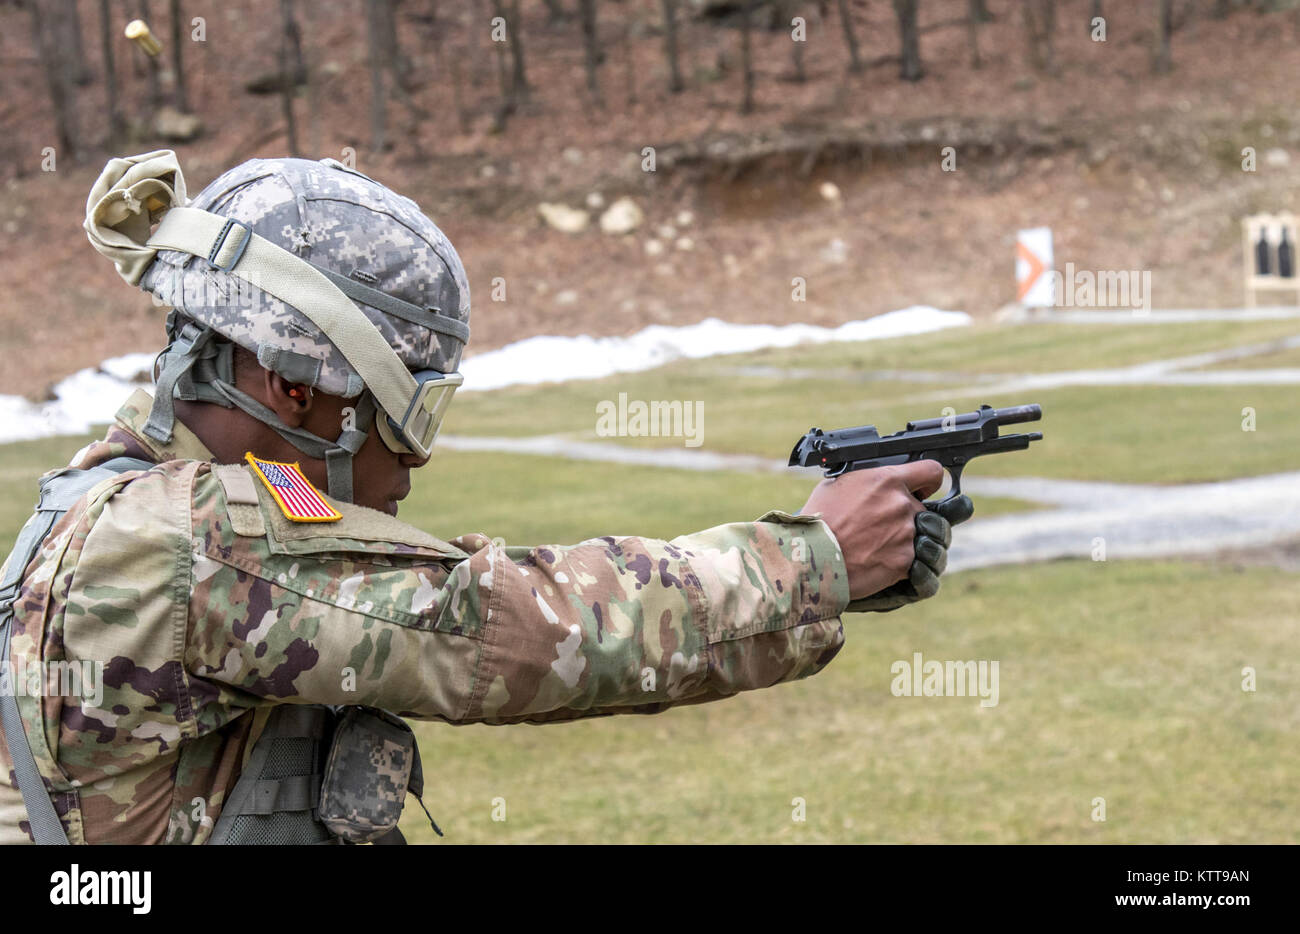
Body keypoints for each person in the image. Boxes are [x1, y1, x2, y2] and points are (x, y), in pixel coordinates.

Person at [0, 151, 971, 845]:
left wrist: (824, 573)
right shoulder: (193, 543)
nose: (413, 460)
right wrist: (808, 561)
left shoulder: (121, 506)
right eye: (410, 406)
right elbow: (512, 631)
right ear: (294, 388)